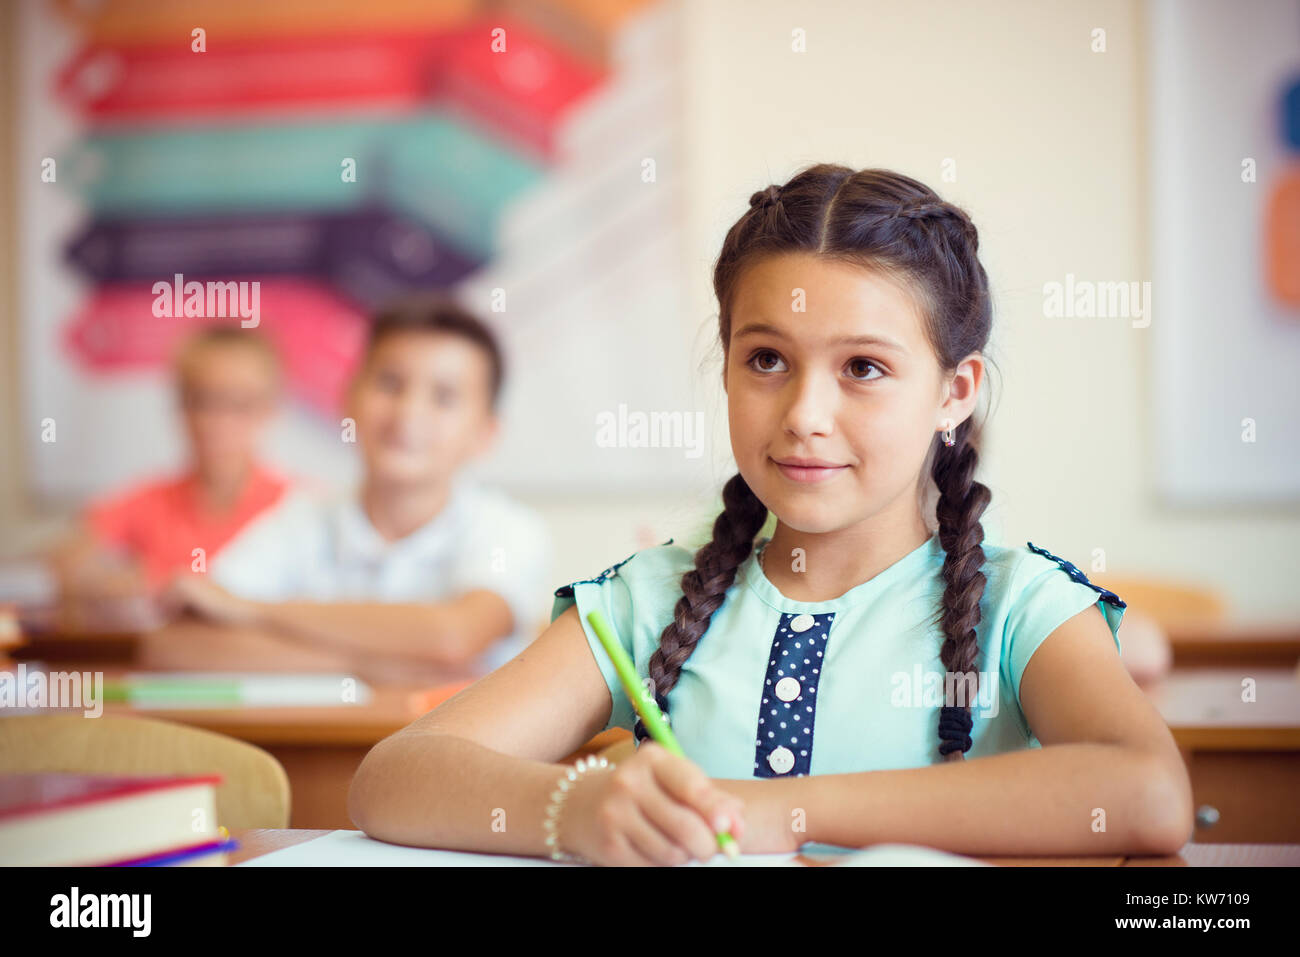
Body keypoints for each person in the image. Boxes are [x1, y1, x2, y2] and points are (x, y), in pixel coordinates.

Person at [346, 165, 1194, 865]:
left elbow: (1151, 794)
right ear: (724, 369)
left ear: (954, 393)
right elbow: (395, 775)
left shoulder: (1023, 606)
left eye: (863, 367)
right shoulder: (650, 598)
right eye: (766, 360)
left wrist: (779, 812)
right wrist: (578, 806)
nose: (803, 414)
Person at [167, 294, 552, 676]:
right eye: (389, 383)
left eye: (444, 396)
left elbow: (455, 636)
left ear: (485, 434)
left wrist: (254, 611)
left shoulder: (509, 530)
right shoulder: (299, 519)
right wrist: (371, 666)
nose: (408, 413)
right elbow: (177, 644)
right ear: (348, 397)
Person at [51, 325, 289, 602]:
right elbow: (65, 565)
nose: (215, 420)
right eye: (200, 401)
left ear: (270, 407)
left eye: (237, 403)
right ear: (180, 405)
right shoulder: (148, 500)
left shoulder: (296, 506)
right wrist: (136, 584)